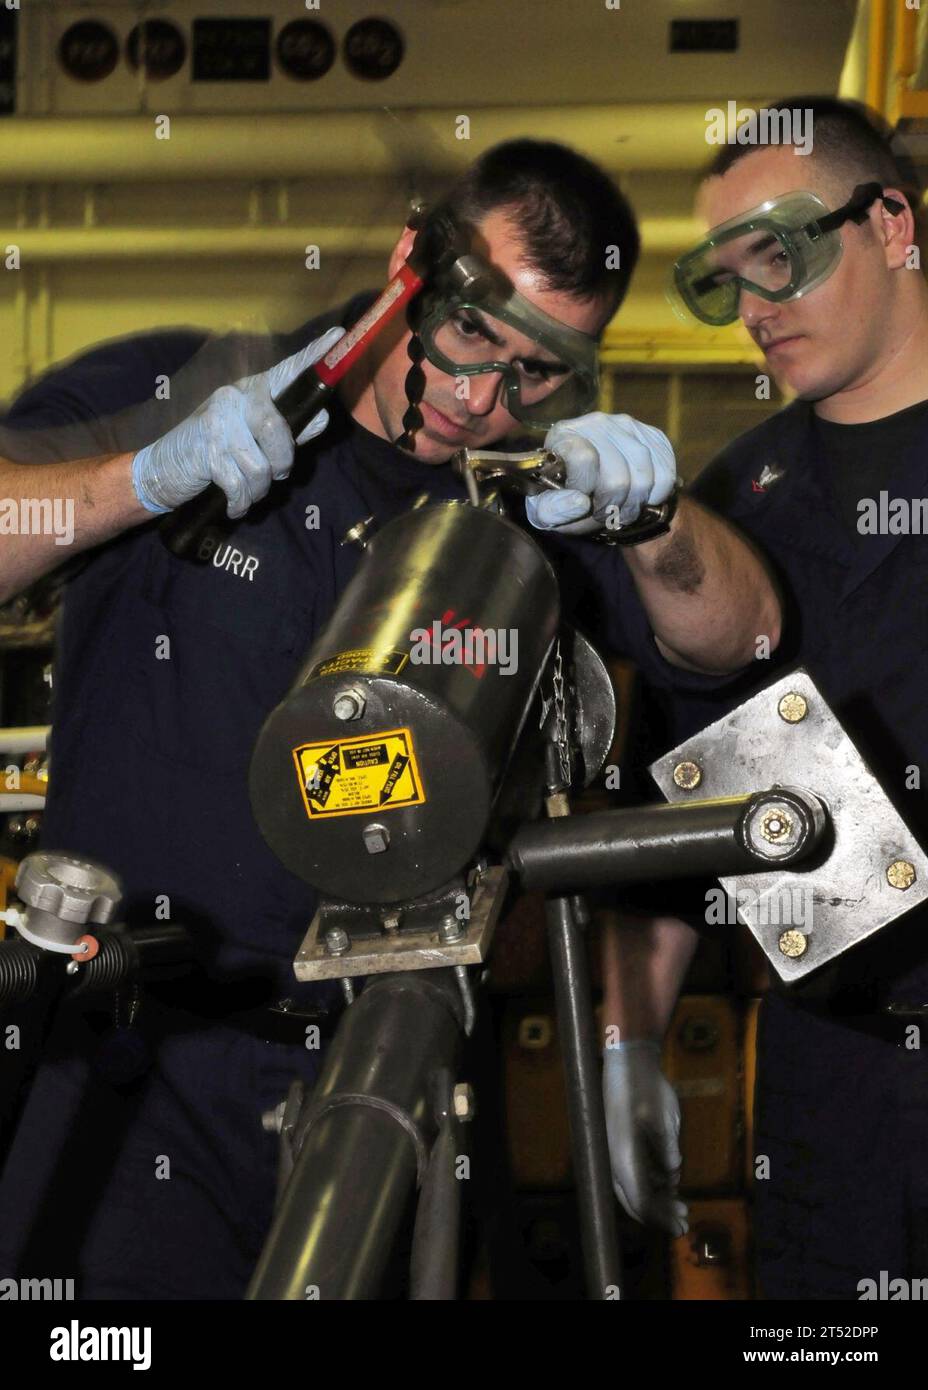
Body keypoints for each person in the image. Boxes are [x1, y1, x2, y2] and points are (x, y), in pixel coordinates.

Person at [0, 138, 779, 1299]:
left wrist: (656, 520)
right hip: (123, 1069)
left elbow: (745, 637)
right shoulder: (182, 384)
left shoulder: (532, 507)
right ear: (414, 259)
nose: (481, 399)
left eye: (536, 372)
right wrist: (142, 481)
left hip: (392, 1069)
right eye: (472, 333)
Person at [601, 97, 928, 1300]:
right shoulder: (731, 506)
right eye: (720, 280)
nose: (754, 308)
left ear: (891, 224)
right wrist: (626, 1045)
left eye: (780, 254)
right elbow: (680, 825)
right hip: (828, 1072)